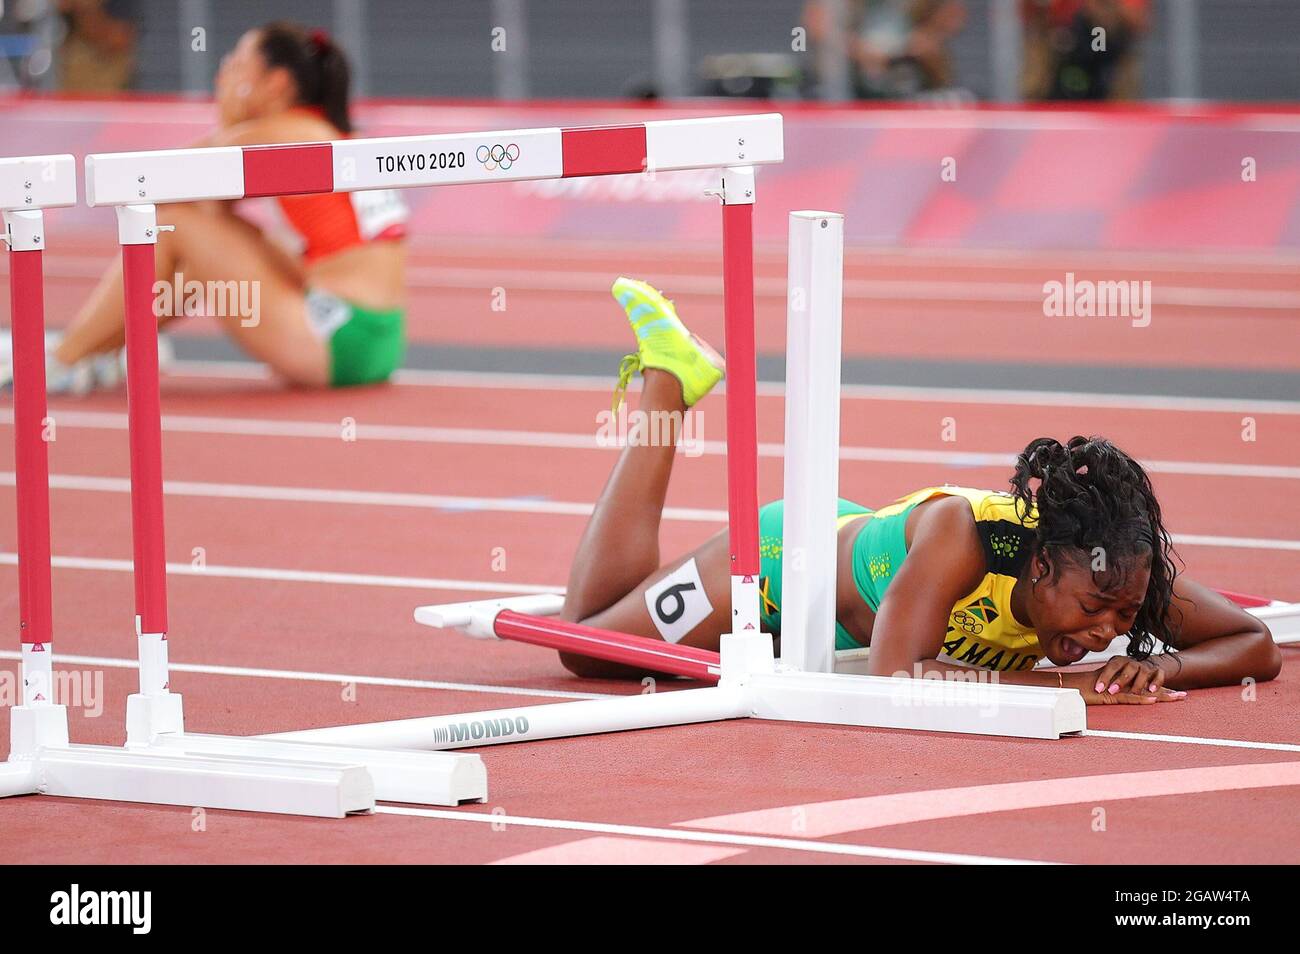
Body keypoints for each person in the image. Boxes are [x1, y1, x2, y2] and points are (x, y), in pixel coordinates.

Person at [555, 278, 1283, 705]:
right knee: (588, 647)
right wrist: (1057, 688)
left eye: (1121, 616)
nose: (1104, 632)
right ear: (1038, 564)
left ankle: (669, 380)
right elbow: (894, 674)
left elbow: (1254, 644)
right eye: (1095, 610)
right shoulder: (963, 537)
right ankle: (670, 385)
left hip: (857, 591)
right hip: (789, 564)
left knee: (609, 626)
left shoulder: (1120, 571)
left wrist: (1160, 663)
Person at [10, 21, 408, 393]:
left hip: (340, 337)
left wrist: (230, 123)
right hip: (376, 337)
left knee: (176, 224)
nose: (223, 77)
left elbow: (160, 179)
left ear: (277, 83)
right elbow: (214, 207)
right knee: (210, 226)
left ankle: (61, 360)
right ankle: (102, 348)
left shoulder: (287, 133)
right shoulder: (324, 131)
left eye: (235, 65)